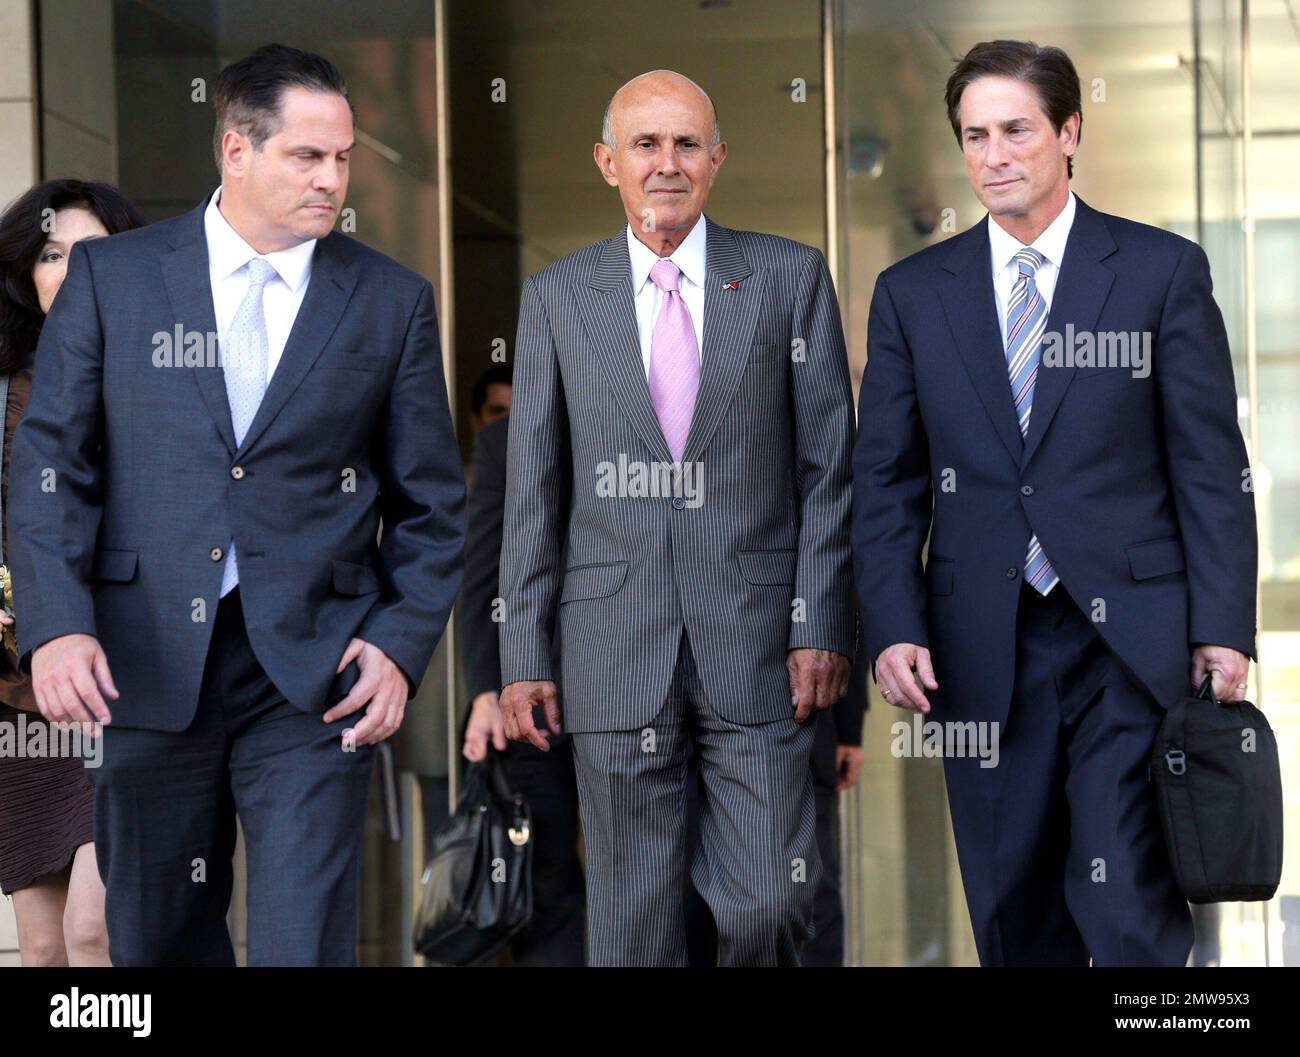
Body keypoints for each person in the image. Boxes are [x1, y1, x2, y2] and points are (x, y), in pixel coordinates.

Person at [10, 44, 465, 966]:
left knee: (304, 940)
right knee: (153, 941)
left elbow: (432, 503)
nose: (331, 178)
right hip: (139, 661)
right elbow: (53, 462)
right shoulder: (117, 279)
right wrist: (56, 623)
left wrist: (399, 644)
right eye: (307, 156)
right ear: (235, 151)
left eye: (342, 157)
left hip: (314, 672)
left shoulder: (390, 301)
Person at [851, 40, 1257, 967]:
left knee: (1128, 920)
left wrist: (1224, 625)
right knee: (1013, 916)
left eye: (1017, 130)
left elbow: (1208, 465)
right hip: (980, 648)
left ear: (1069, 131)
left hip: (1133, 644)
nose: (994, 154)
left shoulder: (1160, 273)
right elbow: (886, 480)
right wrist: (893, 625)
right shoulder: (913, 295)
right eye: (974, 135)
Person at [499, 69, 856, 966]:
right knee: (631, 929)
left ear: (718, 158)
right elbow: (534, 487)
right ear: (606, 161)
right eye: (646, 145)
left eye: (687, 143)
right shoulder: (556, 298)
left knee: (773, 899)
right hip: (611, 644)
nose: (667, 163)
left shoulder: (789, 278)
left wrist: (820, 620)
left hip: (761, 646)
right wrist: (522, 655)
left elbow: (828, 471)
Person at [0, 179, 143, 966]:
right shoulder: (6, 391)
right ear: (26, 272)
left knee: (99, 928)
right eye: (53, 253)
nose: (72, 269)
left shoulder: (159, 377)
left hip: (121, 682)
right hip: (16, 698)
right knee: (45, 944)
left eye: (93, 252)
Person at [459, 413, 586, 966]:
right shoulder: (504, 440)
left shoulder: (664, 415)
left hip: (648, 697)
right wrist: (484, 690)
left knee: (649, 888)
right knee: (546, 886)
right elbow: (482, 567)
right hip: (534, 704)